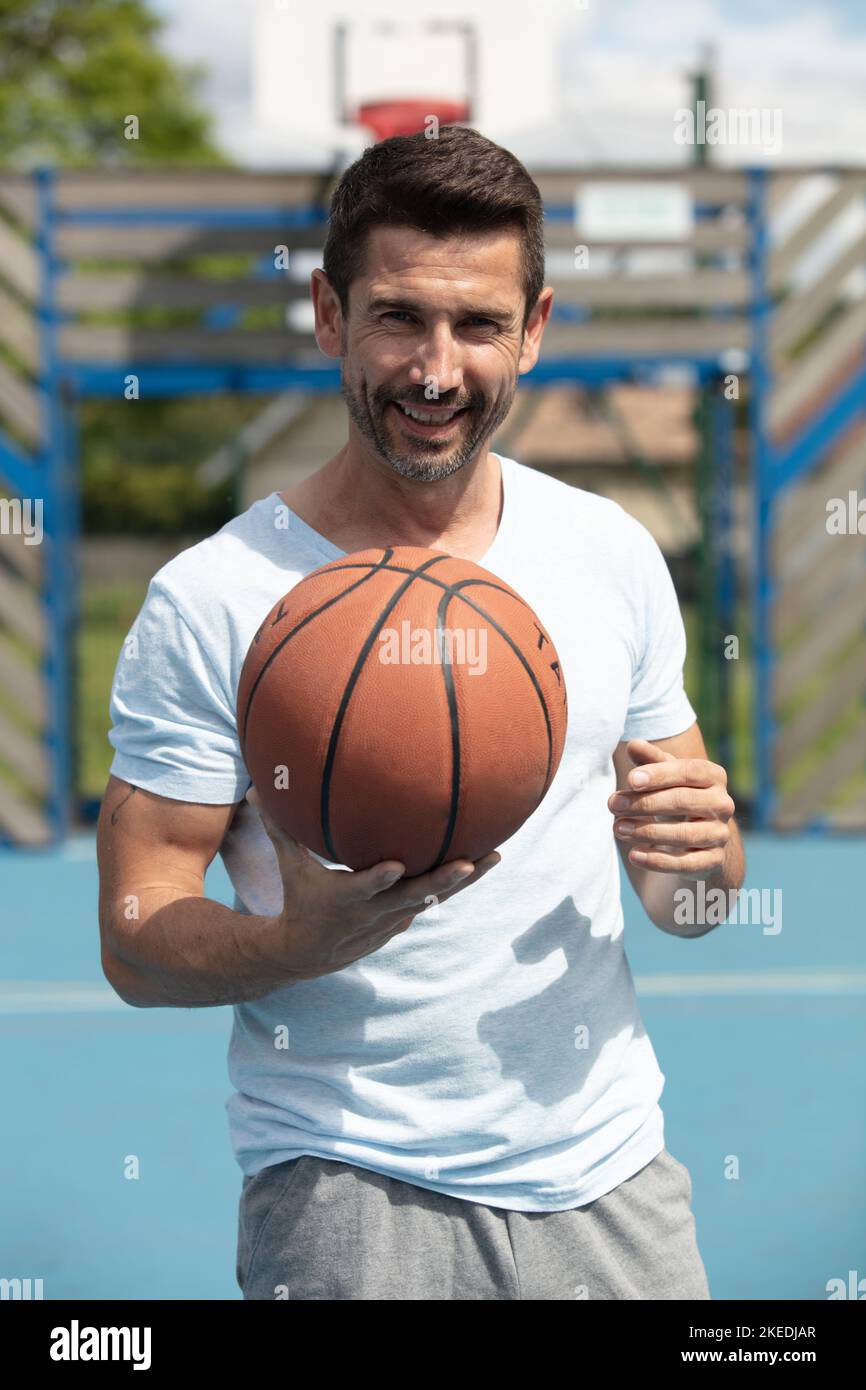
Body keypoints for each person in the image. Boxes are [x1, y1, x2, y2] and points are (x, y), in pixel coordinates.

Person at [98, 125, 745, 1301]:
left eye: (478, 325)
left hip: (609, 1175)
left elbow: (688, 902)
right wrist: (292, 944)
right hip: (349, 1190)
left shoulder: (609, 553)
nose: (436, 369)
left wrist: (699, 860)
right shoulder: (213, 598)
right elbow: (136, 936)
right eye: (398, 316)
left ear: (534, 329)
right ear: (328, 316)